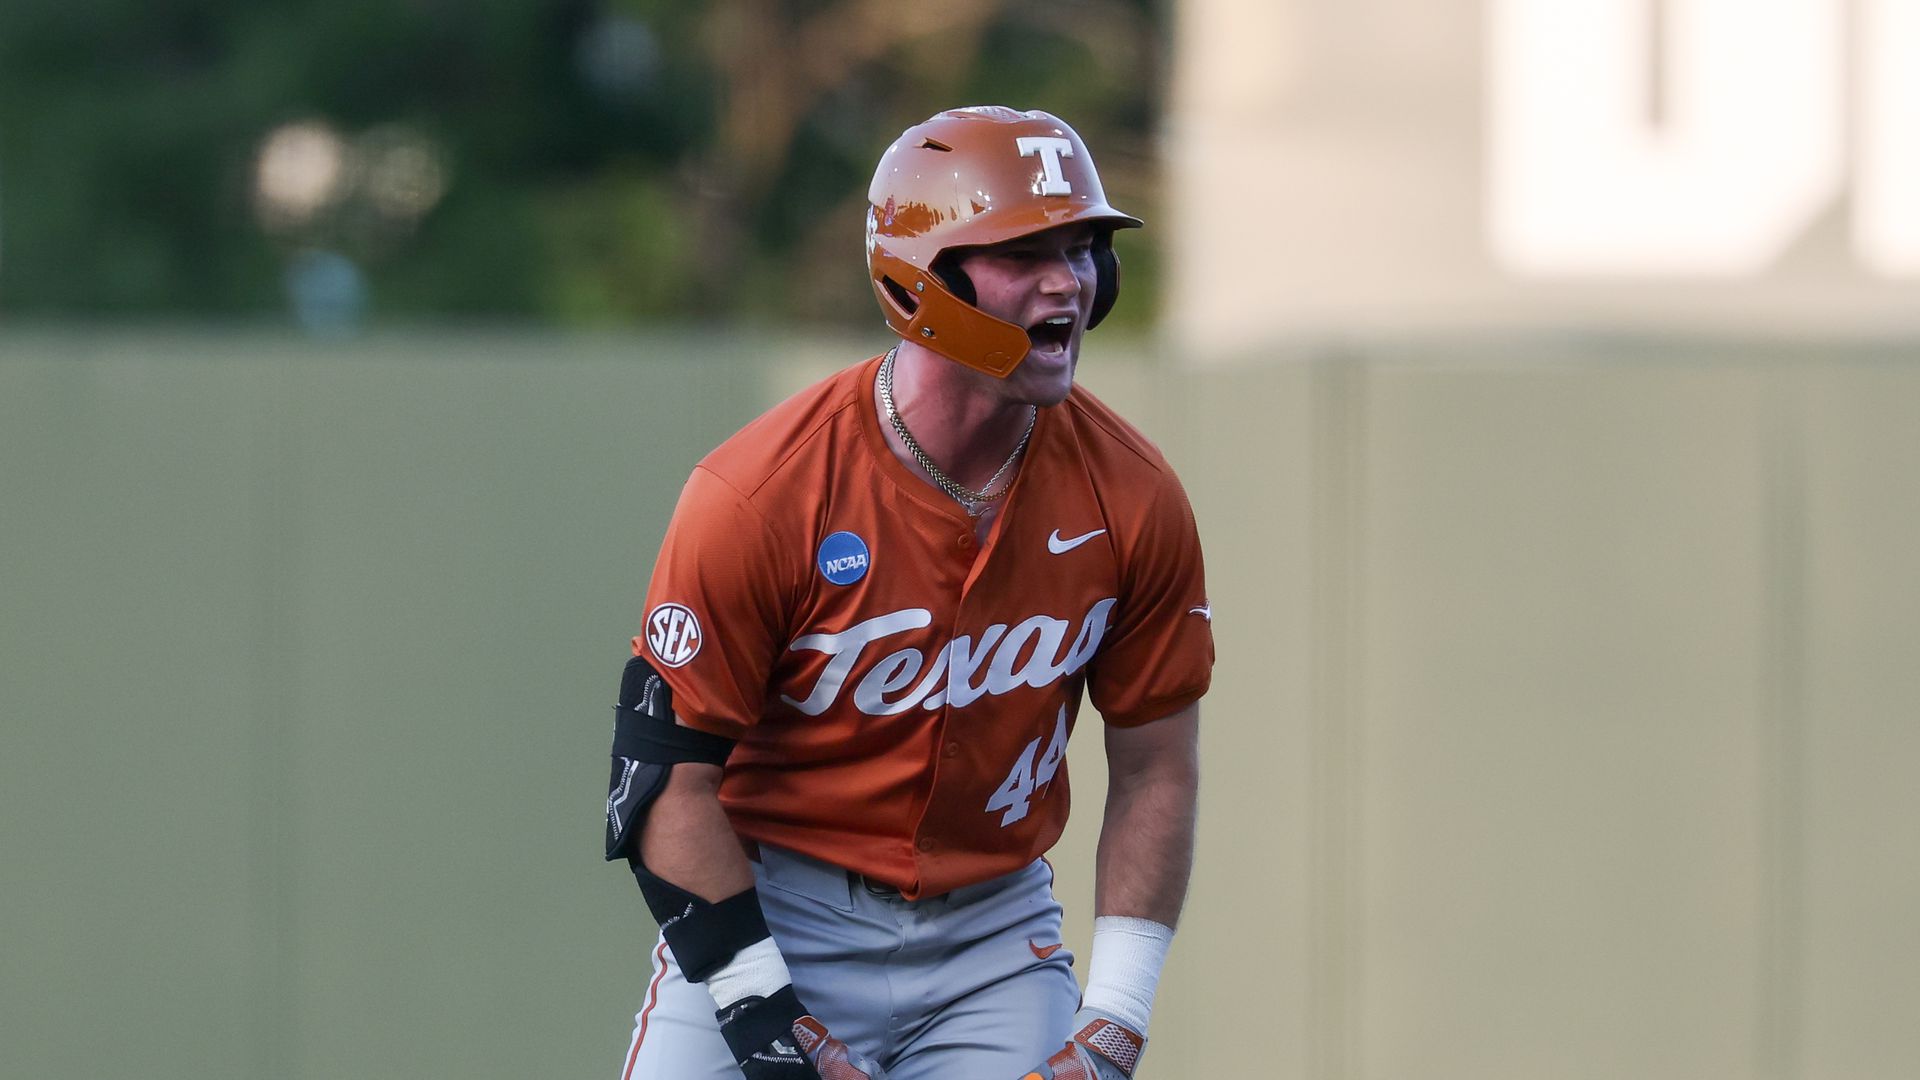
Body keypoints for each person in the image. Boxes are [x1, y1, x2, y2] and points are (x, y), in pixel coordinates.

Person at [605, 105, 1212, 1080]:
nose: (1070, 279)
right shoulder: (759, 493)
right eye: (1026, 251)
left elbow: (1155, 770)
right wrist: (763, 1014)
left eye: (1084, 246)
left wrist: (1117, 1022)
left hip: (993, 937)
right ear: (920, 280)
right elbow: (665, 786)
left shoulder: (1134, 495)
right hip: (771, 911)